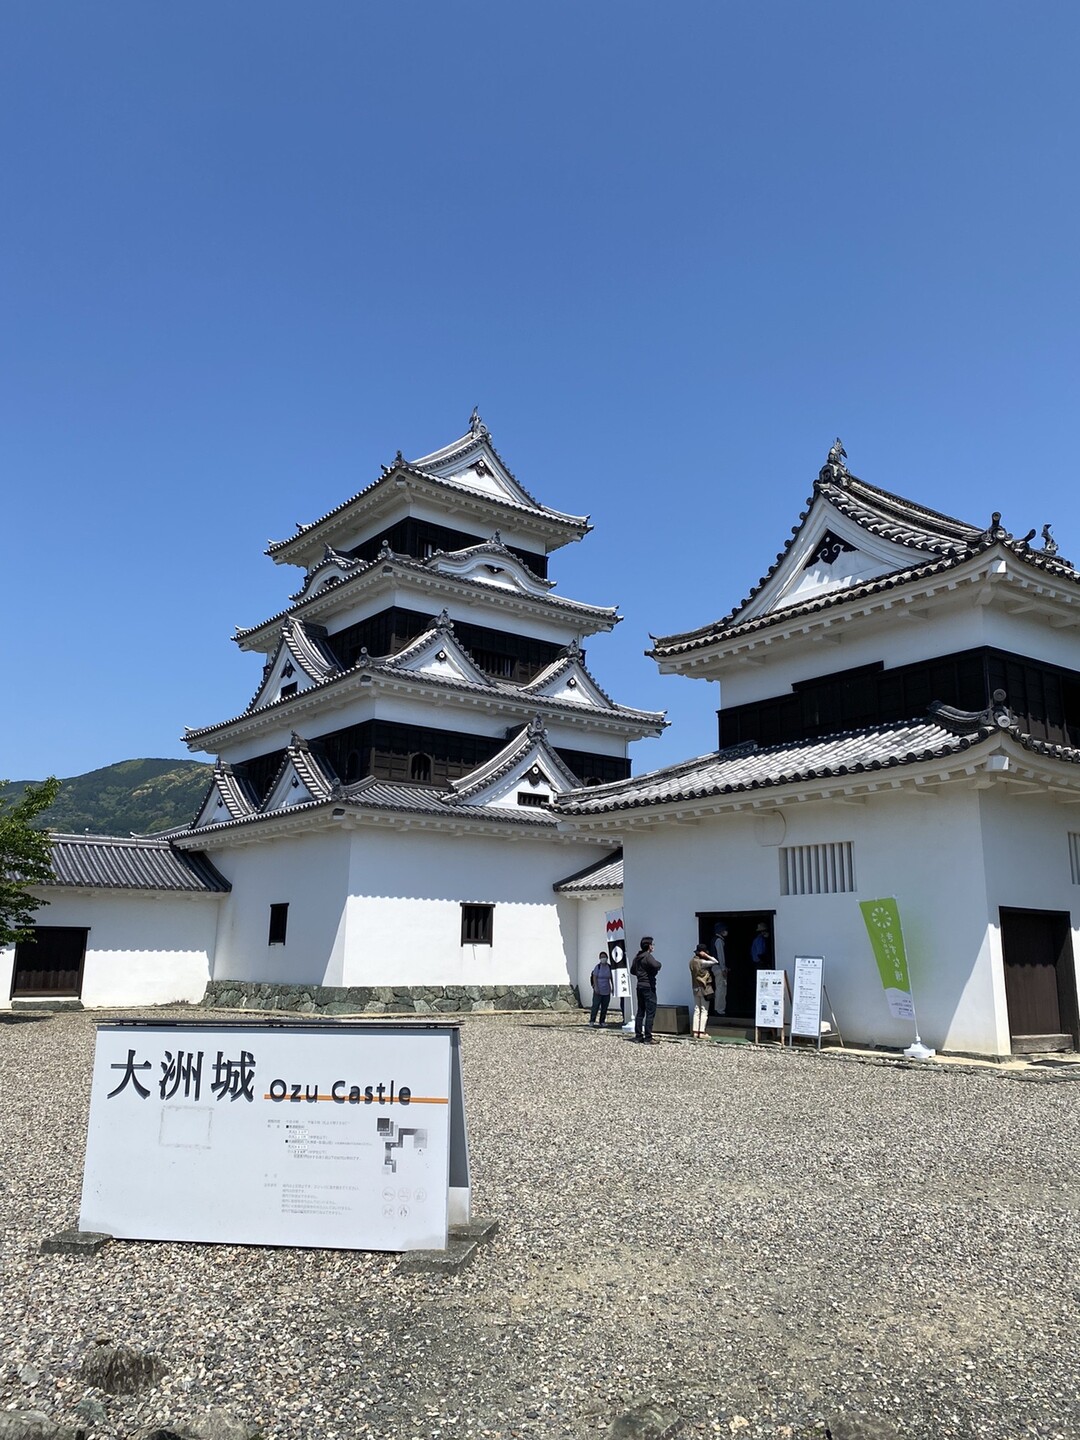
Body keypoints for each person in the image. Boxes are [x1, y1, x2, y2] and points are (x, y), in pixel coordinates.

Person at [630, 937, 661, 1043]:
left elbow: (632, 971)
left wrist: (641, 974)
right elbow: (656, 965)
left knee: (640, 1011)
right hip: (648, 986)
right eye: (652, 944)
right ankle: (648, 1037)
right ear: (649, 946)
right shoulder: (647, 956)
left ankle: (638, 1035)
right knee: (650, 1011)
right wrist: (657, 967)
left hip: (639, 986)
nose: (653, 946)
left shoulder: (637, 957)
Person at [689, 944, 714, 1039]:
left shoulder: (691, 962)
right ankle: (701, 1032)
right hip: (704, 988)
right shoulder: (703, 962)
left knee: (697, 1009)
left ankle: (695, 1032)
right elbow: (715, 961)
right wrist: (707, 956)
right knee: (704, 1010)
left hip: (695, 987)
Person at [588, 950, 614, 1027]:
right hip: (598, 989)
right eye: (602, 957)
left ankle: (602, 1021)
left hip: (606, 989)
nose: (603, 958)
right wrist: (596, 987)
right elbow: (594, 977)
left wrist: (613, 987)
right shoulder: (597, 967)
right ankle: (592, 1020)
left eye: (605, 957)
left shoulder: (609, 967)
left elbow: (612, 978)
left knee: (605, 1007)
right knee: (595, 1006)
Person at [711, 923, 729, 1017]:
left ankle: (718, 1008)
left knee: (720, 988)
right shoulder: (719, 941)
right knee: (721, 989)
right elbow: (721, 956)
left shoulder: (716, 940)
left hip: (716, 967)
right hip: (718, 968)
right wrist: (723, 968)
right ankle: (719, 1009)